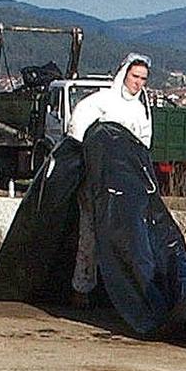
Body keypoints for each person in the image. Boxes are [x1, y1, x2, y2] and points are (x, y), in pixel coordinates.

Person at [66, 53, 153, 307]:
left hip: (125, 191)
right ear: (124, 73)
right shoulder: (100, 102)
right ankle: (81, 290)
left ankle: (117, 296)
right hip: (95, 186)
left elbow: (143, 150)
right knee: (89, 238)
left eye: (143, 79)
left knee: (124, 243)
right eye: (135, 76)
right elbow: (77, 132)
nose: (138, 83)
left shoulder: (140, 113)